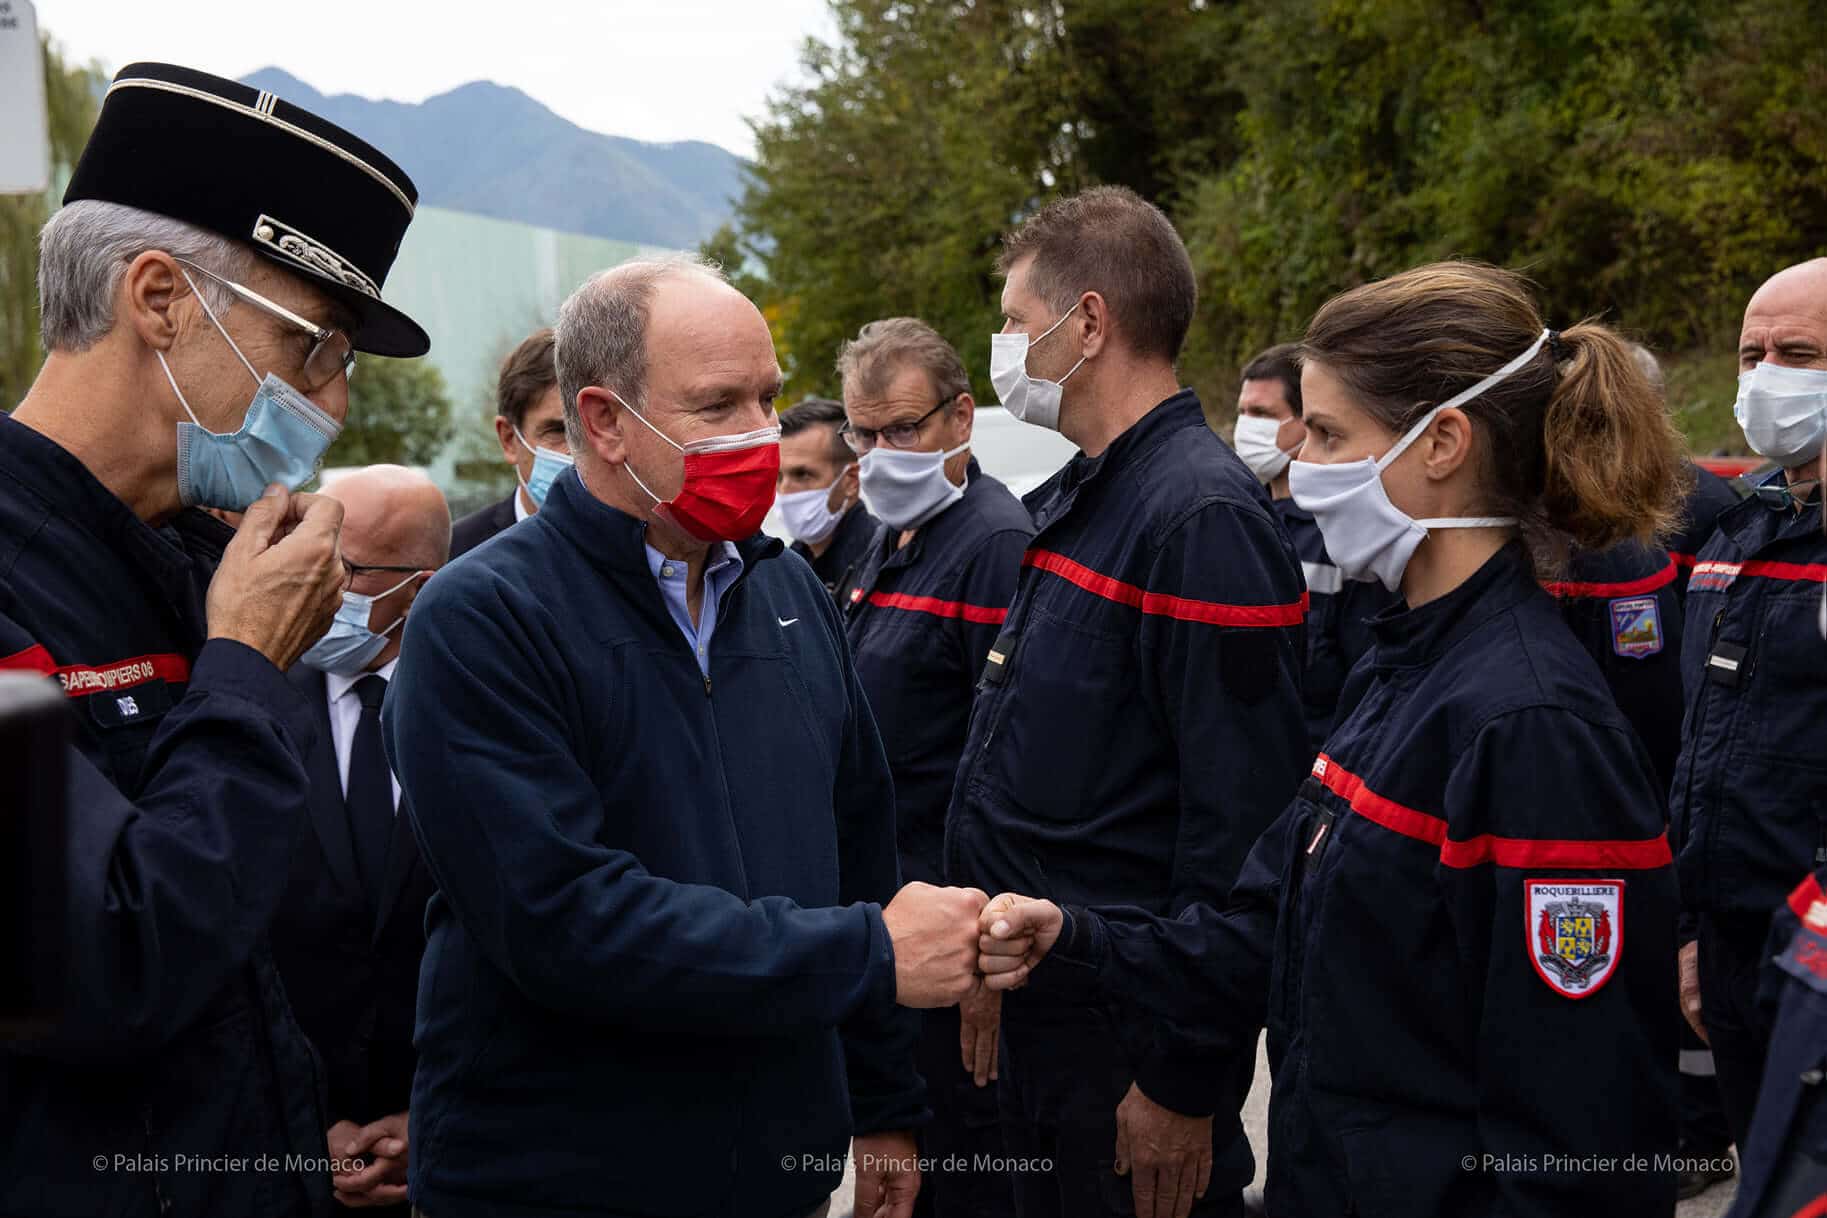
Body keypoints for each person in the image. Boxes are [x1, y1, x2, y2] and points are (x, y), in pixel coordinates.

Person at [978, 261, 1687, 1217]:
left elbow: (1579, 1133)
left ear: (1442, 442)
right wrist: (1073, 937)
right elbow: (1264, 925)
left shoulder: (1529, 727)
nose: (1298, 461)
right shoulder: (1401, 663)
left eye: (1328, 433)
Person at [383, 254, 990, 1218]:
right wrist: (865, 954)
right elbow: (561, 919)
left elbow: (859, 852)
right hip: (559, 1179)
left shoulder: (789, 593)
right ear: (606, 421)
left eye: (768, 397)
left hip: (771, 1173)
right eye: (717, 406)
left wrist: (882, 1103)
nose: (759, 433)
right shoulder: (484, 613)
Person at [0, 62, 427, 1217]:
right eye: (315, 348)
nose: (333, 406)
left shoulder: (188, 554)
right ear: (159, 298)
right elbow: (102, 967)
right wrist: (240, 665)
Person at [946, 187, 1310, 1218]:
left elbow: (1240, 834)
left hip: (1124, 1052)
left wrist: (1184, 1079)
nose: (1006, 350)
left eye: (1016, 324)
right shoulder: (1092, 494)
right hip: (1046, 1026)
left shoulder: (1197, 518)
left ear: (1089, 322)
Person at [837, 317, 1033, 1218]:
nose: (880, 454)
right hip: (891, 920)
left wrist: (986, 962)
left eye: (902, 430)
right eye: (862, 433)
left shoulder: (993, 544)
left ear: (961, 420)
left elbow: (1007, 768)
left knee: (961, 1178)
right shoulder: (888, 531)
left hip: (955, 934)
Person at [1673, 257, 1827, 1152]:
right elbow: (1701, 747)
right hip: (1729, 954)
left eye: (1796, 351)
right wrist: (1692, 932)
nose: (1766, 375)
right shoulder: (1737, 528)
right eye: (1749, 353)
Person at [270, 465, 450, 1214]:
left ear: (420, 584)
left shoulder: (479, 710)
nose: (317, 585)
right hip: (289, 1140)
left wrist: (433, 1121)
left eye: (344, 569)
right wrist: (308, 1121)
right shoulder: (250, 702)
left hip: (451, 1138)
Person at [1233, 342, 1396, 750]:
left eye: (1263, 415)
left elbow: (1364, 679)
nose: (1246, 427)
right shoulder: (1239, 519)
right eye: (1243, 413)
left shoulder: (1341, 535)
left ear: (1305, 422)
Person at [451, 328, 567, 557]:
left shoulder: (645, 551)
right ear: (509, 439)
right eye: (558, 431)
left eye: (591, 431)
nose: (579, 451)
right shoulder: (456, 553)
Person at [778, 395, 879, 598]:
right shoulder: (781, 569)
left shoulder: (881, 564)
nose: (784, 490)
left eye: (802, 475)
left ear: (851, 481)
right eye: (778, 476)